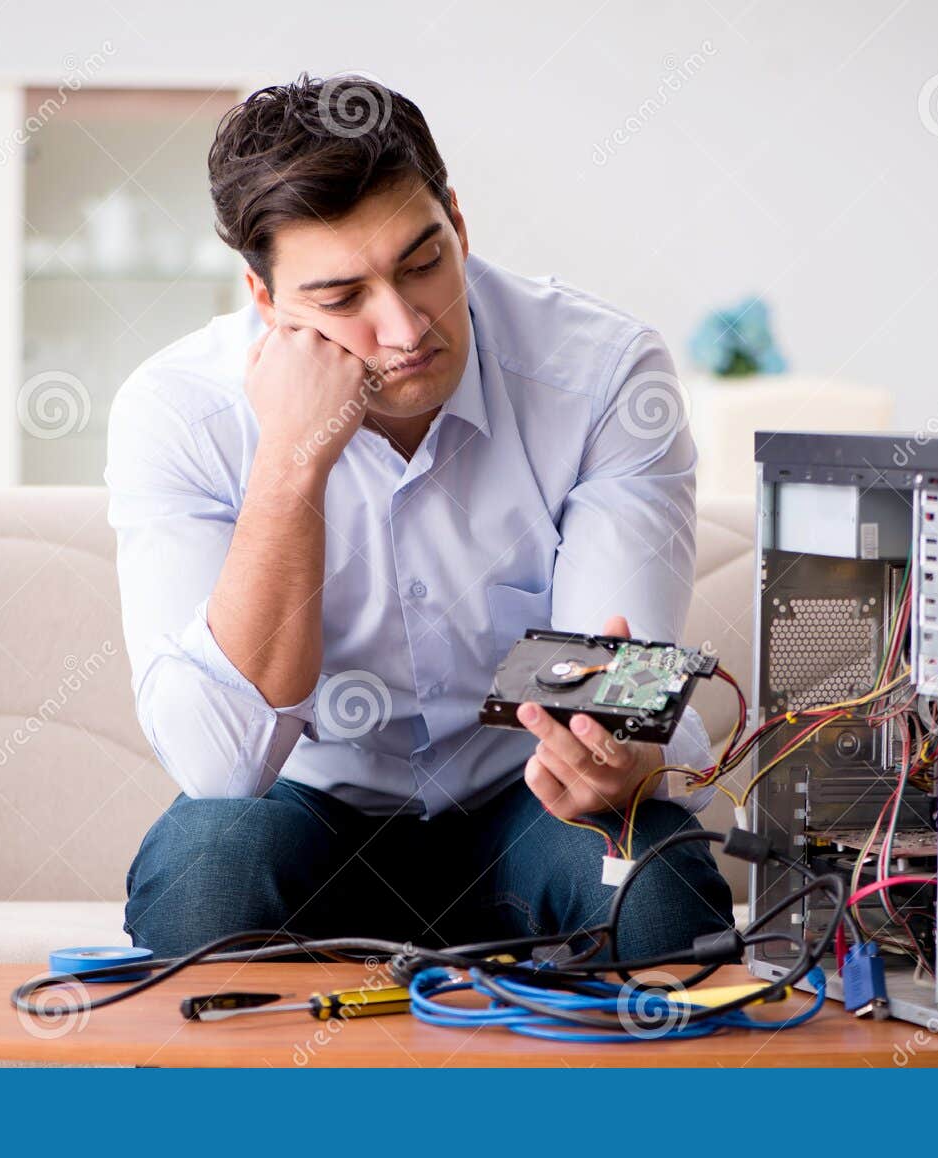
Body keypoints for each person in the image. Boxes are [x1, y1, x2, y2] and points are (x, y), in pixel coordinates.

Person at [105, 73, 733, 961]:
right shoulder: (180, 411)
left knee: (658, 895)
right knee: (206, 873)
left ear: (458, 224)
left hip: (527, 805)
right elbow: (222, 767)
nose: (405, 330)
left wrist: (620, 758)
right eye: (341, 299)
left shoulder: (602, 373)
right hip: (305, 809)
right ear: (265, 300)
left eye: (423, 264)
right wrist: (291, 462)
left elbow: (612, 698)